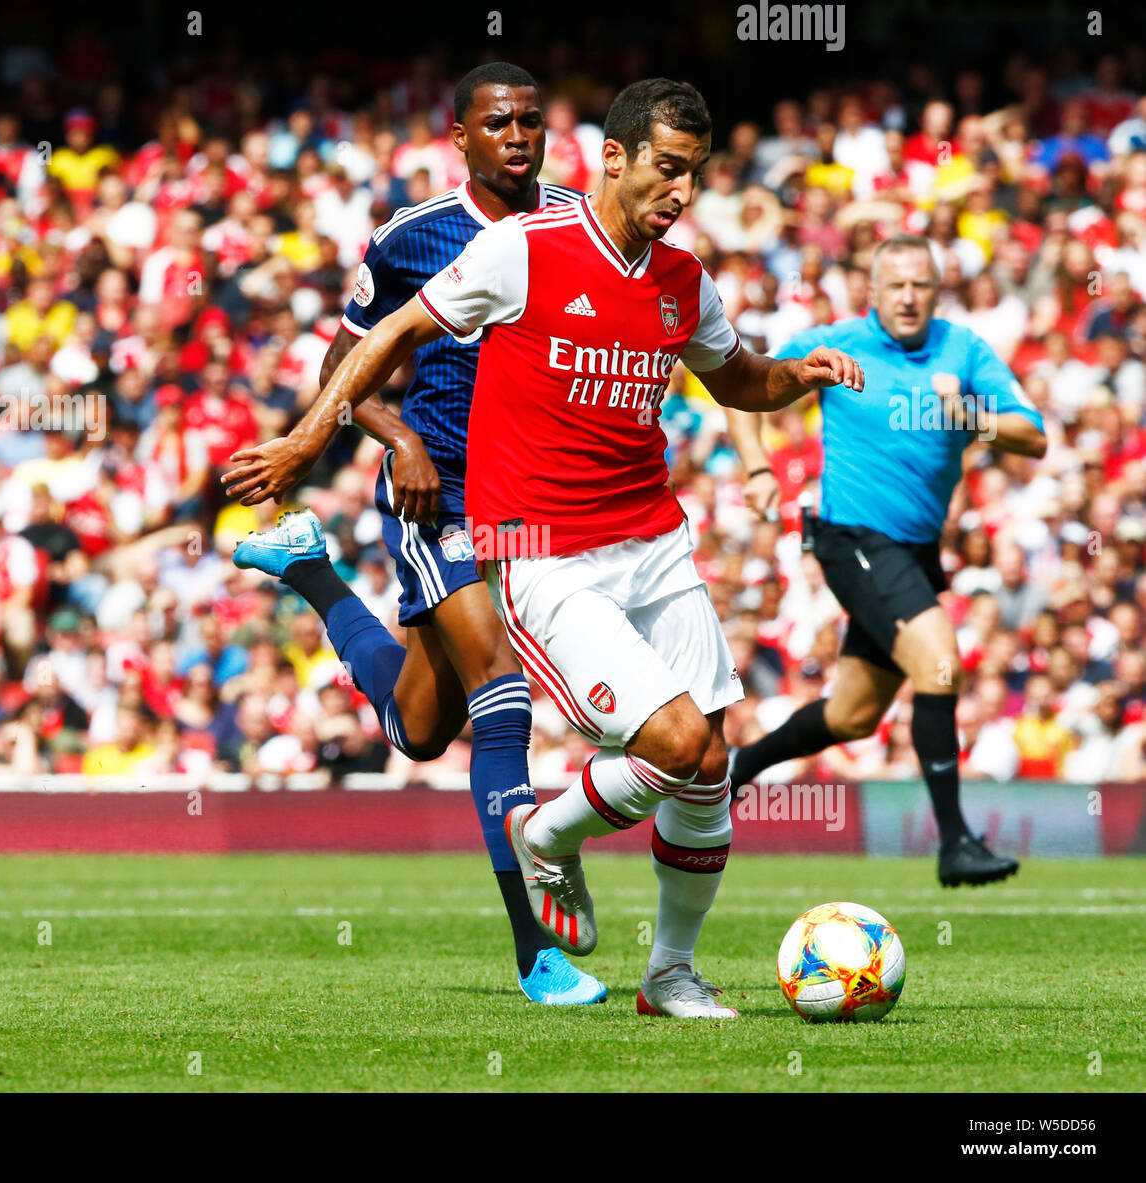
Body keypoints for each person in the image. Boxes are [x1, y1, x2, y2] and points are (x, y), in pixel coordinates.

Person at [223, 78, 863, 1019]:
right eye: (667, 170)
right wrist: (307, 442)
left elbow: (740, 379)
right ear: (614, 157)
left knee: (705, 758)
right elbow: (392, 331)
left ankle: (670, 974)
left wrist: (800, 375)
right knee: (661, 738)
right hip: (538, 549)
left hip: (653, 542)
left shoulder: (685, 282)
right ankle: (544, 841)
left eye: (694, 176)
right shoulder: (519, 251)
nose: (681, 194)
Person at [230, 63, 600, 1007]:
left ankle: (312, 572)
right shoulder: (411, 236)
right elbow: (337, 364)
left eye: (531, 121)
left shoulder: (575, 225)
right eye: (498, 123)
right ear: (461, 137)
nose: (518, 136)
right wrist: (396, 438)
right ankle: (538, 952)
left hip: (538, 497)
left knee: (419, 729)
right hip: (442, 491)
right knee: (502, 695)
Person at [727, 233, 1047, 887]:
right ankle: (955, 842)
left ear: (937, 289)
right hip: (852, 541)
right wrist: (758, 467)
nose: (908, 296)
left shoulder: (964, 350)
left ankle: (737, 769)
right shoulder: (836, 343)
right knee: (940, 661)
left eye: (920, 284)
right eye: (895, 284)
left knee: (851, 715)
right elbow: (743, 388)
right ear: (872, 291)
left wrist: (976, 417)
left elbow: (1034, 435)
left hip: (916, 553)